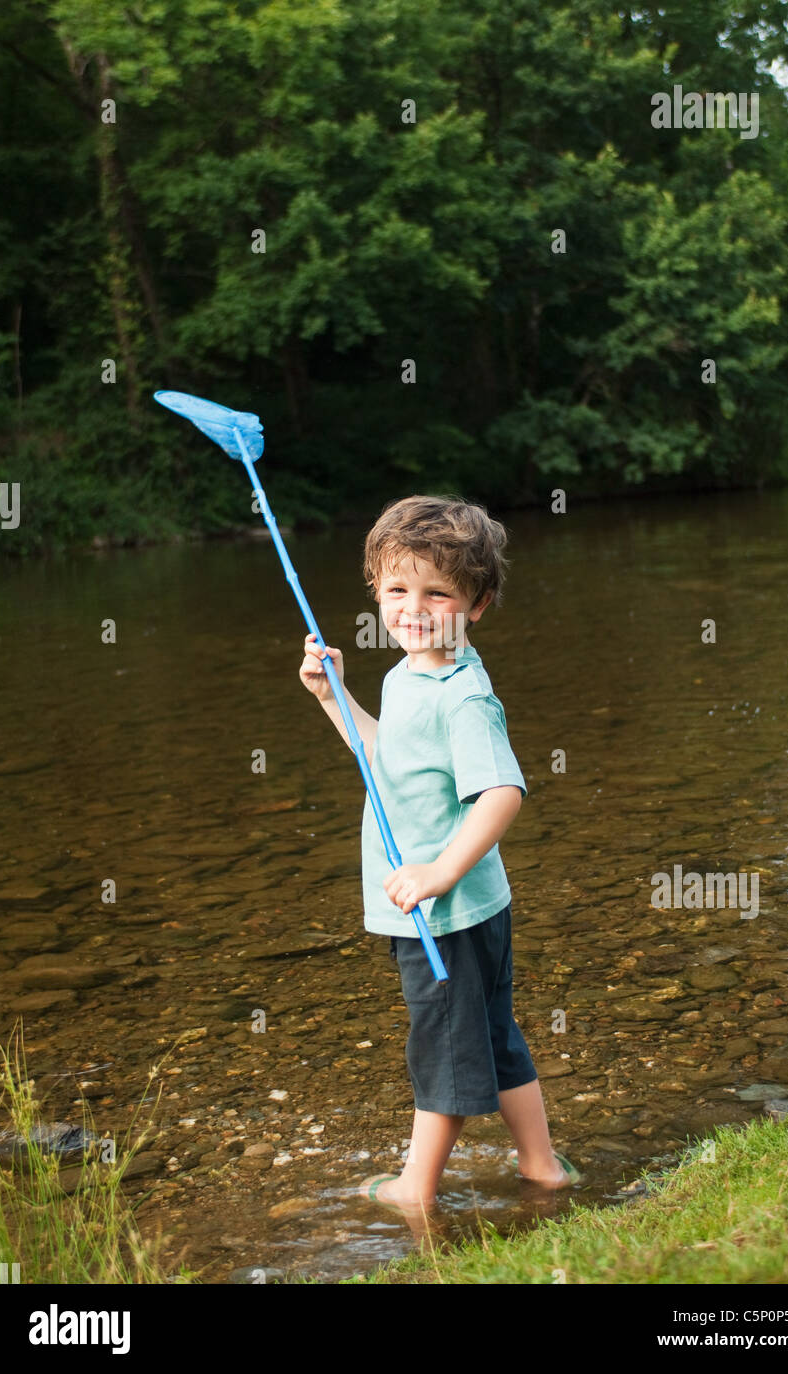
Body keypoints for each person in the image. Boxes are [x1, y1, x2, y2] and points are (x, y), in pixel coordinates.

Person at [299, 494, 582, 1211]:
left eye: (437, 592)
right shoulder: (406, 675)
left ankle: (414, 1191)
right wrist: (334, 697)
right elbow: (381, 759)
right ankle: (541, 1167)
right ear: (376, 591)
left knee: (443, 1048)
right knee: (489, 1034)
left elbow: (502, 792)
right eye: (397, 589)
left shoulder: (461, 694)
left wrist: (439, 872)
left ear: (477, 603)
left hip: (446, 913)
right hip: (464, 906)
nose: (412, 608)